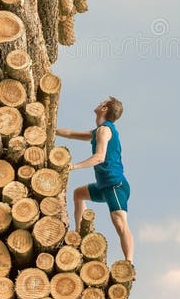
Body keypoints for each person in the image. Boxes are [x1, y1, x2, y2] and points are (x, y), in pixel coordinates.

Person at [56, 96, 134, 263]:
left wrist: (74, 166)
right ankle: (78, 234)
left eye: (102, 102)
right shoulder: (98, 131)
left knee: (120, 224)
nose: (98, 103)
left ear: (105, 108)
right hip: (103, 186)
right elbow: (71, 134)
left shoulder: (105, 130)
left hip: (115, 185)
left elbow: (99, 157)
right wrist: (51, 129)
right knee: (78, 194)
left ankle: (129, 262)